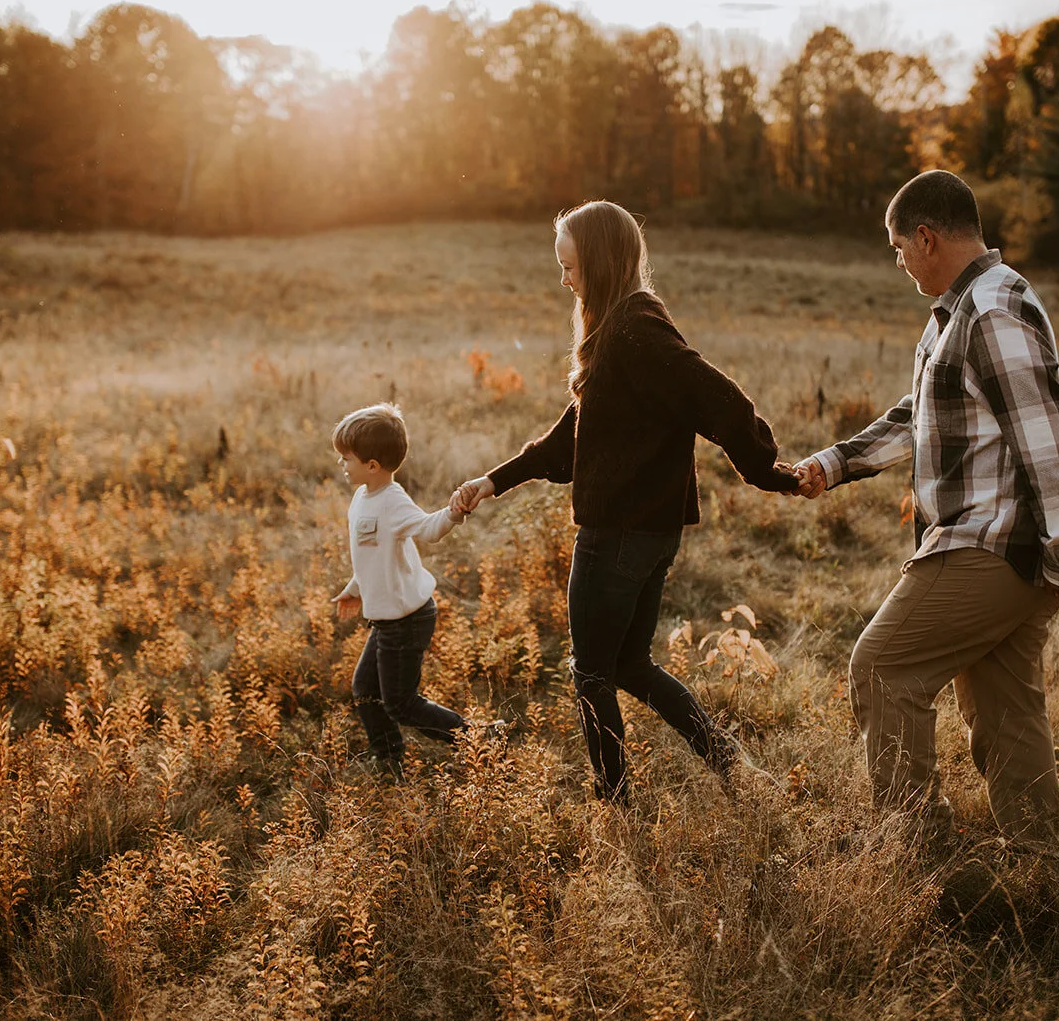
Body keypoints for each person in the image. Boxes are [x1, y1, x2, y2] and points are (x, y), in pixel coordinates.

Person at [451, 200, 799, 804]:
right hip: (649, 533)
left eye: (572, 267)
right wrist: (495, 480)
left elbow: (716, 397)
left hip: (619, 536)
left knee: (591, 672)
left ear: (604, 262)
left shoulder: (635, 328)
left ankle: (615, 803)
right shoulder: (619, 325)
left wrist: (766, 470)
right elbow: (575, 432)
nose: (563, 279)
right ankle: (732, 767)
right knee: (630, 666)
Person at [792, 169, 1059, 841]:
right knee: (1005, 705)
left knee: (883, 665)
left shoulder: (991, 311)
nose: (899, 262)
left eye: (899, 247)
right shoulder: (961, 311)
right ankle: (1042, 858)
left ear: (927, 238)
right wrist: (835, 462)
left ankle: (912, 846)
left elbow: (1049, 446)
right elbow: (922, 415)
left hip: (994, 544)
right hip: (1001, 545)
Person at [331, 403, 495, 774]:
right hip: (388, 617)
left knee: (401, 703)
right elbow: (370, 554)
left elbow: (427, 529)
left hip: (406, 618)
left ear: (372, 466)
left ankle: (480, 741)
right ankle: (388, 758)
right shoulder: (362, 498)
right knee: (366, 692)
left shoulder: (392, 501)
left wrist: (454, 513)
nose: (342, 464)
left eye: (347, 458)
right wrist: (356, 587)